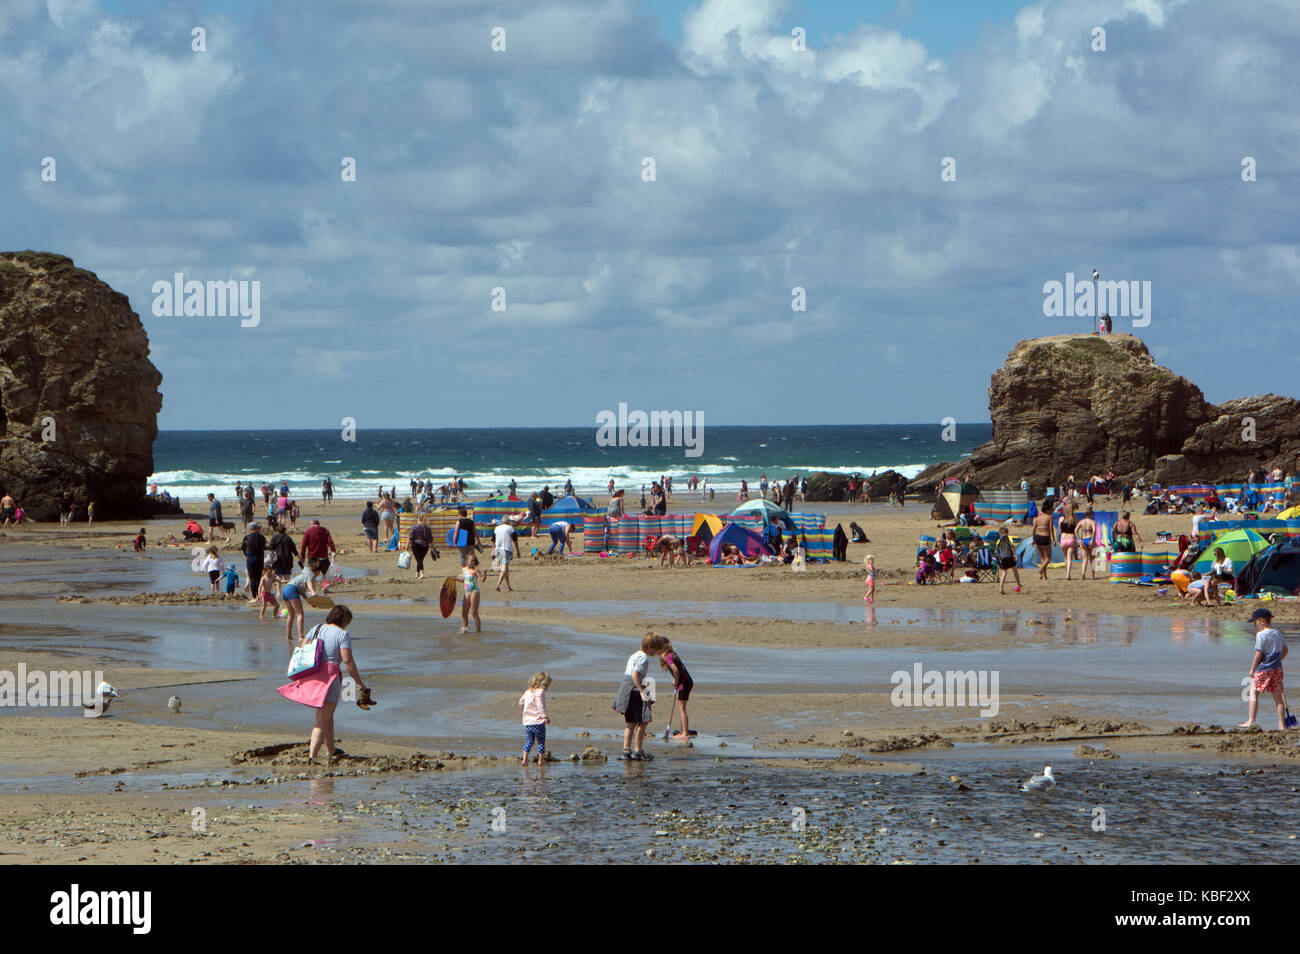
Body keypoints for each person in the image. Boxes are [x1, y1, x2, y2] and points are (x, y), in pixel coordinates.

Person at [278, 605, 371, 763]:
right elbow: (347, 661)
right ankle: (312, 757)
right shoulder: (343, 634)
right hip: (329, 677)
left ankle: (331, 750)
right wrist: (359, 683)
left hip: (312, 675)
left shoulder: (316, 628)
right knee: (322, 719)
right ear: (345, 620)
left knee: (327, 716)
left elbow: (302, 648)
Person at [614, 632, 665, 761]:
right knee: (643, 721)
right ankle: (638, 750)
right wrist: (642, 691)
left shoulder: (634, 655)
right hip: (635, 690)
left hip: (625, 690)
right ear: (650, 647)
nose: (658, 652)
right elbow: (635, 674)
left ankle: (626, 751)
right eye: (657, 649)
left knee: (630, 722)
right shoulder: (644, 658)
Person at [1240, 608, 1289, 730]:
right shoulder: (1277, 633)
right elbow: (1285, 649)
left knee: (1253, 692)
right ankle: (1282, 725)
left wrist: (1252, 669)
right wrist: (1278, 660)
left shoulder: (1261, 635)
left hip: (1264, 668)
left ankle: (1251, 720)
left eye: (1255, 622)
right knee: (1277, 696)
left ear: (1261, 621)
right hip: (1277, 668)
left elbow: (1259, 653)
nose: (1254, 625)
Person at [281, 558, 325, 650]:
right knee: (300, 614)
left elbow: (301, 592)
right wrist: (312, 591)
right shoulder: (311, 575)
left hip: (285, 590)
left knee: (291, 614)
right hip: (292, 590)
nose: (319, 575)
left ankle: (288, 635)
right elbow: (309, 583)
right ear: (317, 571)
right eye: (319, 572)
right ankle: (300, 636)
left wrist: (309, 601)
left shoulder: (304, 573)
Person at [659, 640, 694, 740]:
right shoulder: (672, 654)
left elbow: (676, 670)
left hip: (684, 683)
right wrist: (676, 681)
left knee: (681, 708)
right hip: (687, 681)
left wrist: (677, 681)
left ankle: (685, 733)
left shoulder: (667, 657)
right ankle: (683, 731)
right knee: (681, 707)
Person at [519, 672, 551, 766]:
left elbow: (521, 702)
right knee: (541, 742)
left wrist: (524, 710)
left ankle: (525, 759)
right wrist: (545, 716)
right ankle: (540, 761)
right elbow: (540, 705)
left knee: (529, 741)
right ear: (543, 683)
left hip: (528, 722)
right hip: (538, 721)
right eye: (547, 685)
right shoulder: (540, 692)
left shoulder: (528, 691)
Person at [240, 523, 268, 601]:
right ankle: (259, 596)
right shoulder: (262, 537)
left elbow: (243, 547)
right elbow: (264, 546)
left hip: (251, 558)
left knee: (252, 578)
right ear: (256, 528)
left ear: (250, 529)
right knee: (258, 578)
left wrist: (246, 554)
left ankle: (254, 597)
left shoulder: (247, 537)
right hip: (260, 558)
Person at [460, 553, 485, 634]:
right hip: (466, 592)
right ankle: (465, 629)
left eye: (474, 560)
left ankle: (478, 631)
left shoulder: (475, 570)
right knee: (464, 612)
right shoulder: (464, 569)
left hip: (474, 591)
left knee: (474, 613)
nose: (473, 562)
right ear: (467, 561)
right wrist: (453, 579)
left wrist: (485, 574)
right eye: (471, 560)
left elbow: (482, 580)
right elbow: (463, 580)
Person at [406, 514, 437, 579]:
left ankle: (421, 573)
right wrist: (433, 547)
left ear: (418, 519)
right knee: (420, 559)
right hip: (425, 545)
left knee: (419, 559)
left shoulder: (414, 527)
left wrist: (407, 545)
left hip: (416, 544)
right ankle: (417, 573)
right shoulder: (427, 528)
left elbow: (410, 537)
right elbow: (430, 539)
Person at [493, 517, 518, 591]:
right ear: (508, 522)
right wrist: (518, 551)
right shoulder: (510, 528)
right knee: (504, 568)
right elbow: (515, 540)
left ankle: (508, 587)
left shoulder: (496, 528)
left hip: (498, 549)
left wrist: (493, 550)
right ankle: (498, 584)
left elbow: (493, 540)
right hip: (506, 549)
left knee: (505, 568)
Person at [995, 526, 1021, 595]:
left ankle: (1001, 588)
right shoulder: (1008, 538)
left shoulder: (998, 541)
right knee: (1015, 570)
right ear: (1007, 533)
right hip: (1010, 557)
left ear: (1000, 533)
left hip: (1003, 558)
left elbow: (996, 551)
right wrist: (1014, 554)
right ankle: (1018, 583)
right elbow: (1012, 546)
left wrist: (1000, 558)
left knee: (1004, 573)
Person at [1031, 503, 1053, 580]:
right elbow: (1050, 530)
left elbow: (1033, 530)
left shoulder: (1036, 519)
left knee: (1042, 558)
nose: (1052, 511)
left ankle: (1044, 576)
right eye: (1051, 509)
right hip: (1045, 537)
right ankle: (1041, 570)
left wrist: (1033, 540)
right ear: (1047, 510)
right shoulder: (1049, 517)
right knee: (1048, 559)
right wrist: (1052, 539)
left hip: (1037, 537)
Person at [1075, 509, 1098, 580]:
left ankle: (1083, 573)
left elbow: (1076, 530)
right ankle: (1092, 576)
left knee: (1084, 559)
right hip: (1090, 538)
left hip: (1083, 539)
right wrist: (1092, 539)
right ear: (1091, 514)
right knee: (1092, 559)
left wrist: (1079, 539)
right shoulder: (1092, 522)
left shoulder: (1081, 522)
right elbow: (1094, 530)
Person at [1058, 502, 1078, 580]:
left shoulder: (1061, 519)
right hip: (1071, 538)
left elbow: (1060, 531)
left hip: (1063, 539)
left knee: (1065, 558)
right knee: (1070, 558)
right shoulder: (1074, 519)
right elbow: (1076, 530)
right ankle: (1068, 574)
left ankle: (1067, 573)